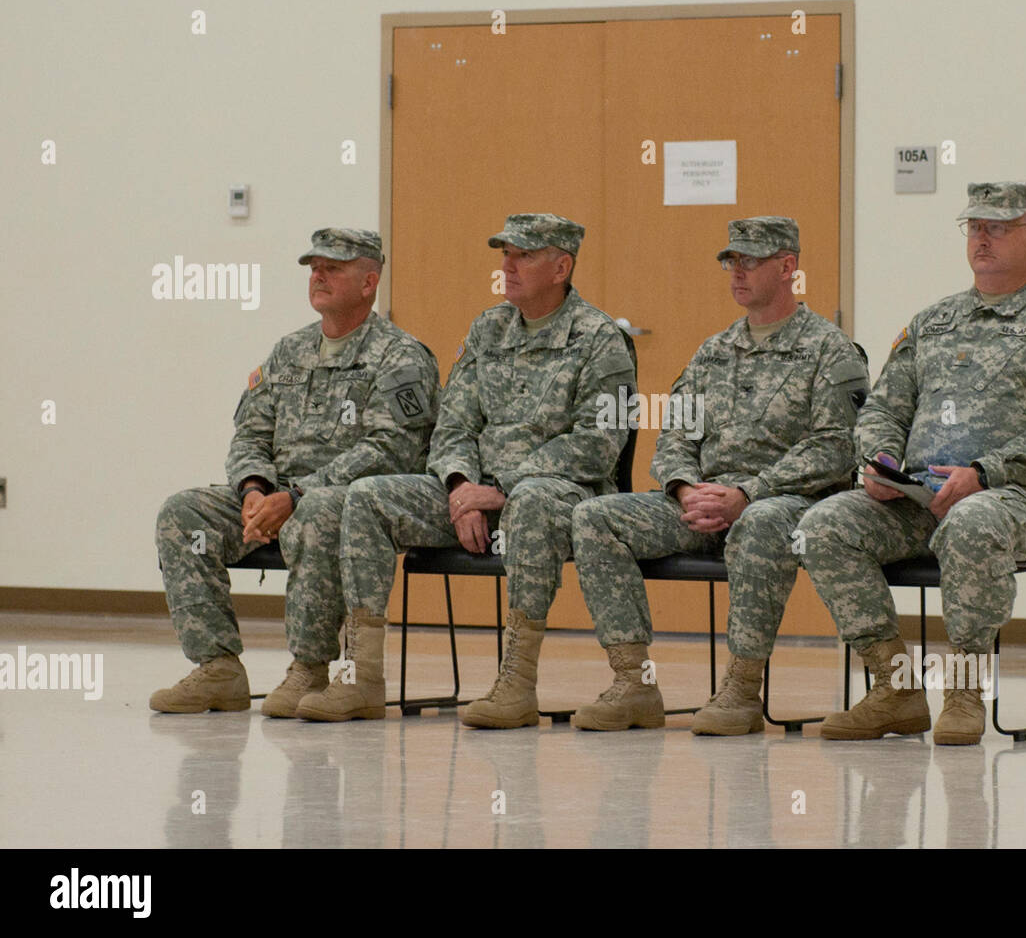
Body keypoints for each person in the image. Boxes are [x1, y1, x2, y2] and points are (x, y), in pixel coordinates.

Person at [799, 182, 1026, 744]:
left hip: (1019, 499)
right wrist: (880, 464)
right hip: (915, 499)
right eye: (974, 227)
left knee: (972, 521)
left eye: (997, 227)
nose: (983, 238)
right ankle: (894, 689)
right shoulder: (932, 323)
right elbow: (882, 409)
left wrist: (987, 472)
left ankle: (966, 692)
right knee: (822, 526)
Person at [296, 213, 636, 724]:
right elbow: (452, 423)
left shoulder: (599, 338)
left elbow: (597, 443)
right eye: (505, 254)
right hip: (472, 492)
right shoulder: (488, 328)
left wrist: (499, 488)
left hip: (562, 496)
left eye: (523, 255)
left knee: (533, 500)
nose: (508, 265)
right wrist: (459, 485)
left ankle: (516, 686)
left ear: (561, 266)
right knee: (367, 496)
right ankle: (360, 679)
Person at [569, 216, 867, 735]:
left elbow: (836, 447)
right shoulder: (713, 351)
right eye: (732, 261)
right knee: (595, 517)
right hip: (703, 503)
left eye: (750, 262)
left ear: (788, 266)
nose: (737, 272)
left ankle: (741, 690)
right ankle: (634, 683)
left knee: (761, 520)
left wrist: (749, 492)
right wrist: (685, 489)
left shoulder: (830, 350)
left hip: (786, 503)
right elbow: (675, 437)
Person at [151, 228, 439, 715]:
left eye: (334, 266)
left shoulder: (400, 356)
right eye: (313, 266)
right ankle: (218, 667)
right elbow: (250, 432)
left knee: (318, 510)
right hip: (277, 497)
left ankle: (311, 666)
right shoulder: (288, 352)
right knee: (183, 514)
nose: (318, 274)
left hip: (346, 503)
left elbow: (393, 449)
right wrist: (253, 488)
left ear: (369, 282)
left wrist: (298, 495)